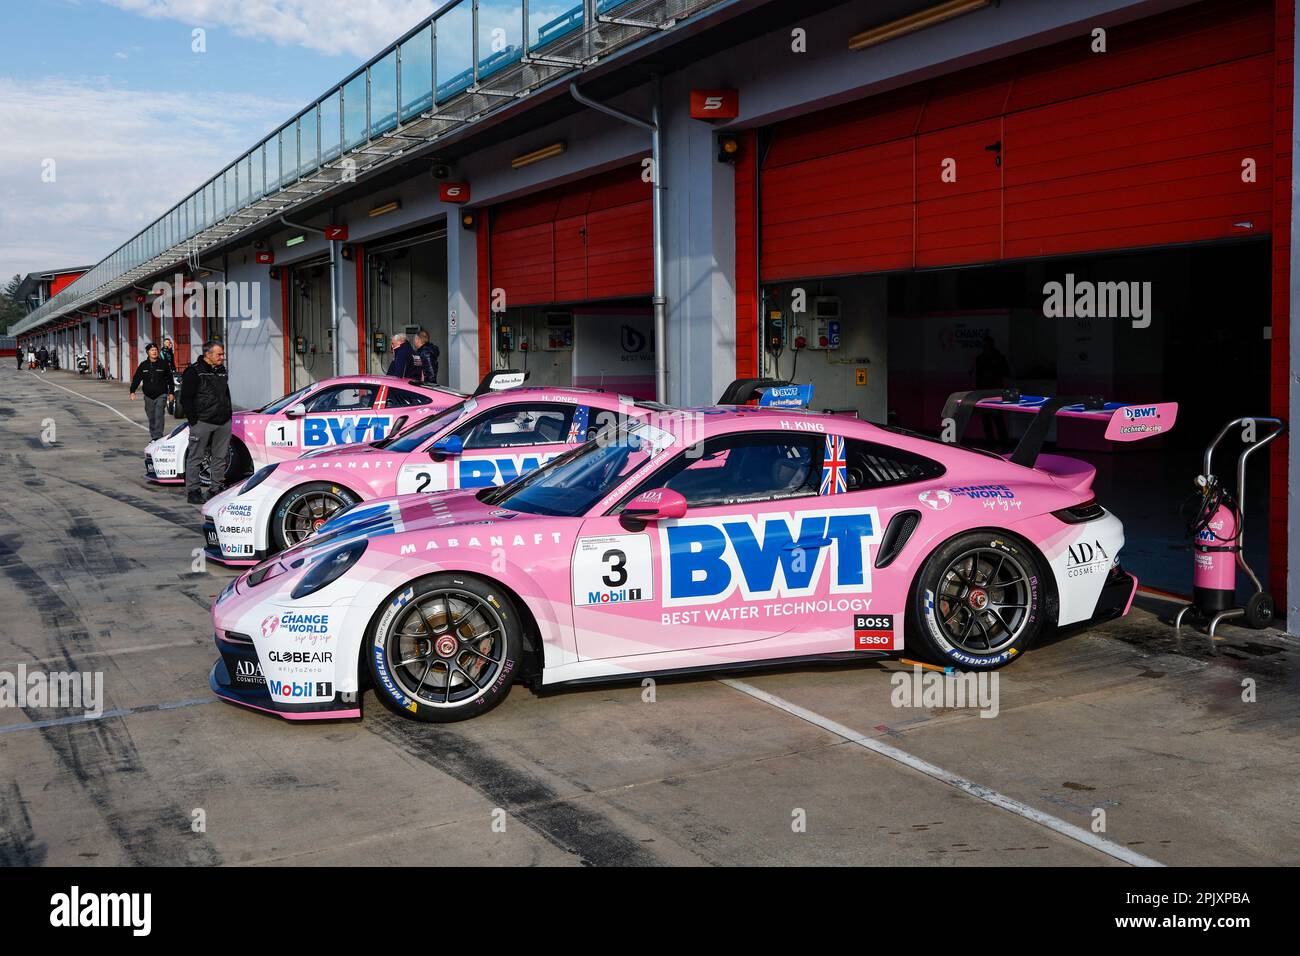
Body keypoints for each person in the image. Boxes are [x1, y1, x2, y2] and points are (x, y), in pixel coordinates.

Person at [180, 340, 232, 504]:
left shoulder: (222, 371)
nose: (222, 357)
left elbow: (225, 394)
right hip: (202, 422)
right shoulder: (193, 371)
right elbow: (185, 398)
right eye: (219, 354)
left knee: (220, 457)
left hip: (223, 422)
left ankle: (216, 488)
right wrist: (194, 421)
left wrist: (228, 414)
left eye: (223, 354)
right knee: (195, 457)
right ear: (207, 355)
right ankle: (193, 491)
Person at [130, 344, 175, 441]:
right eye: (152, 350)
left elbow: (170, 379)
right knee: (151, 417)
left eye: (155, 350)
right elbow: (137, 378)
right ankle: (153, 434)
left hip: (161, 395)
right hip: (148, 396)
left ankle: (157, 437)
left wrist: (171, 392)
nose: (154, 352)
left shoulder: (163, 364)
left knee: (159, 415)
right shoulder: (143, 365)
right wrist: (132, 391)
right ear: (148, 352)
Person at [973, 335, 1011, 446]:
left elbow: (1006, 372)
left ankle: (1003, 440)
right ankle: (990, 440)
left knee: (997, 416)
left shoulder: (999, 358)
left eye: (988, 345)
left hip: (996, 391)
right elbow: (978, 376)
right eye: (985, 345)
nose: (986, 347)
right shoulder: (980, 358)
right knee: (986, 418)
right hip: (983, 392)